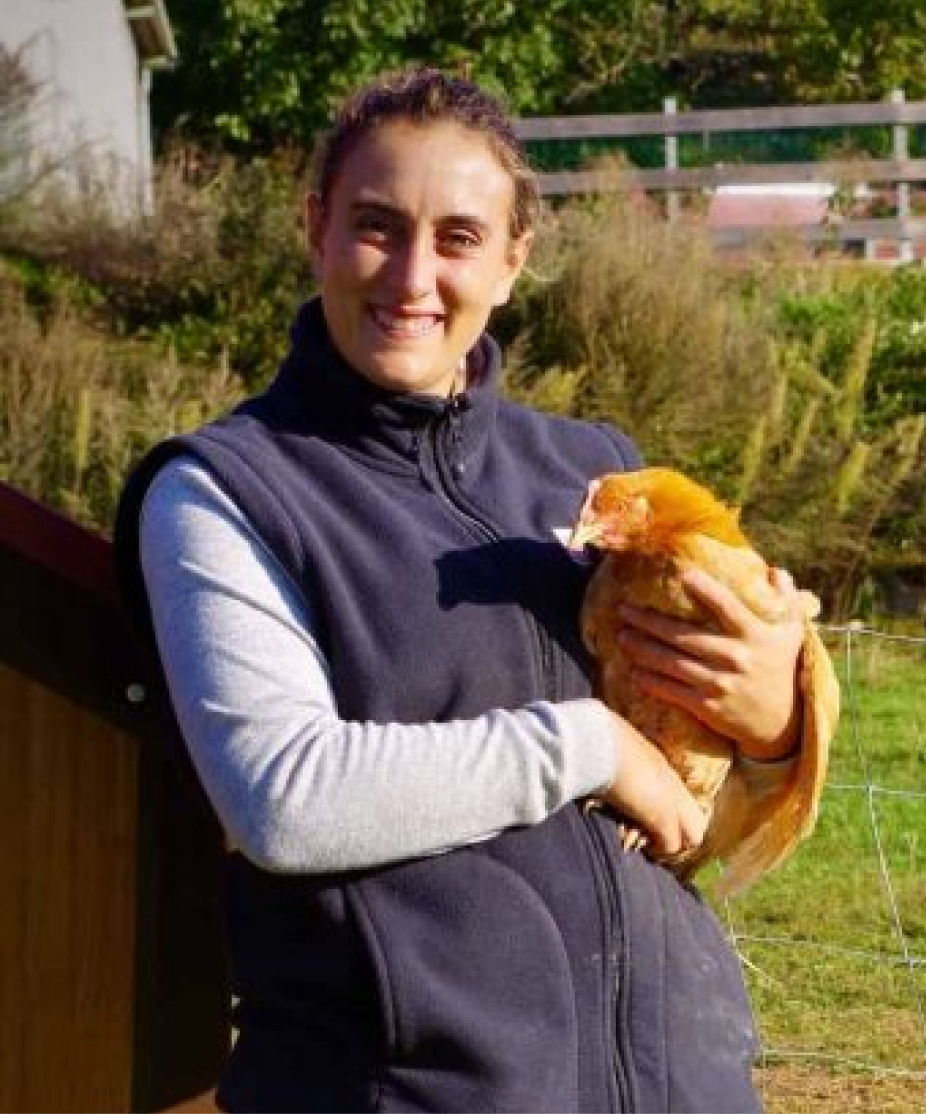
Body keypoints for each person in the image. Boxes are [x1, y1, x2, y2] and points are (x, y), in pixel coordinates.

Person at [113, 66, 806, 1113]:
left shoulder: (594, 475)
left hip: (677, 1086)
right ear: (315, 227)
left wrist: (772, 723)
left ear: (515, 259)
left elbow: (691, 809)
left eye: (458, 238)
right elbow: (287, 799)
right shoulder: (226, 491)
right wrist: (588, 744)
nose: (412, 276)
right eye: (378, 226)